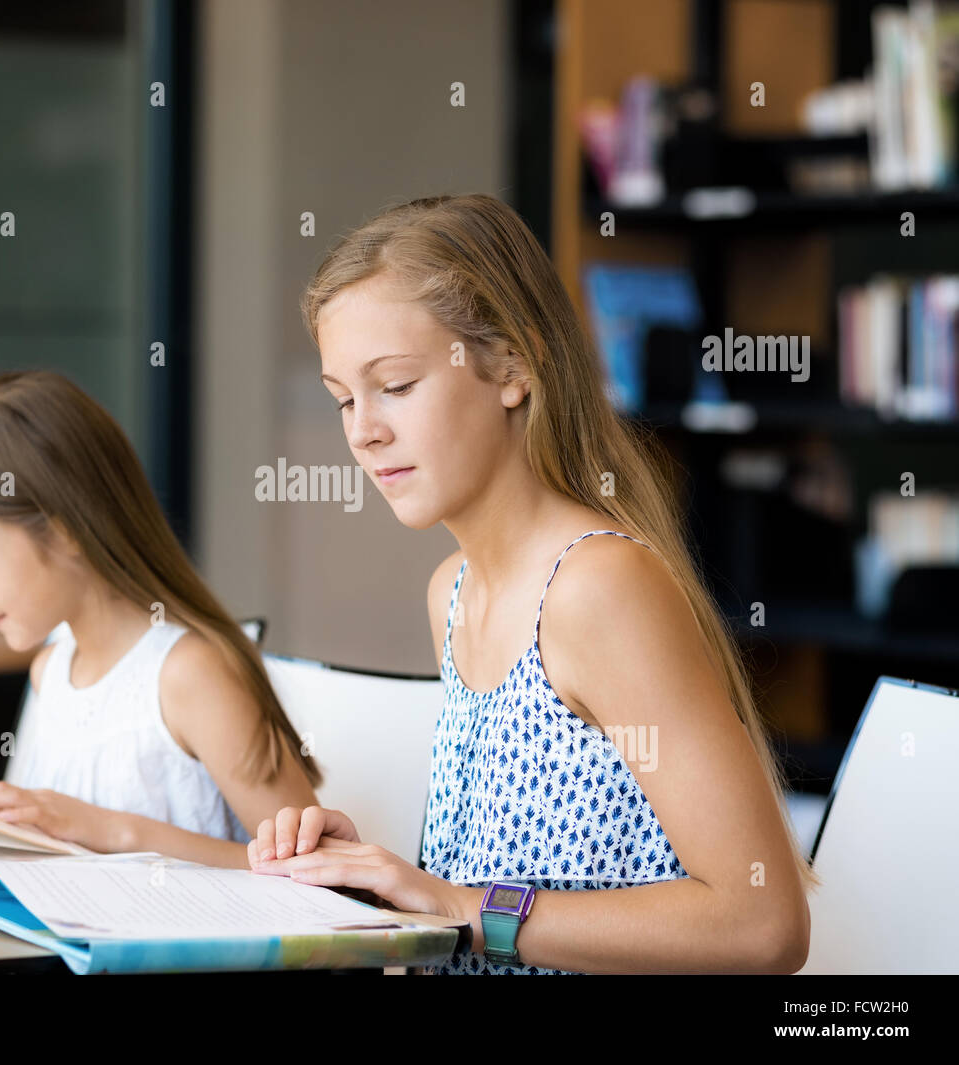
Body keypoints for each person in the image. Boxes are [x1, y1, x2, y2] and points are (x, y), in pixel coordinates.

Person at [248, 193, 814, 974]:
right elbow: (482, 904)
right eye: (344, 398)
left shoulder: (597, 586)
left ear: (513, 364)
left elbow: (764, 924)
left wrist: (453, 905)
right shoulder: (451, 592)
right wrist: (381, 890)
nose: (362, 430)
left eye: (397, 386)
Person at [0, 370, 322, 868]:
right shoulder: (51, 670)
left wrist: (116, 831)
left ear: (65, 532)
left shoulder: (188, 675)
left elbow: (316, 874)